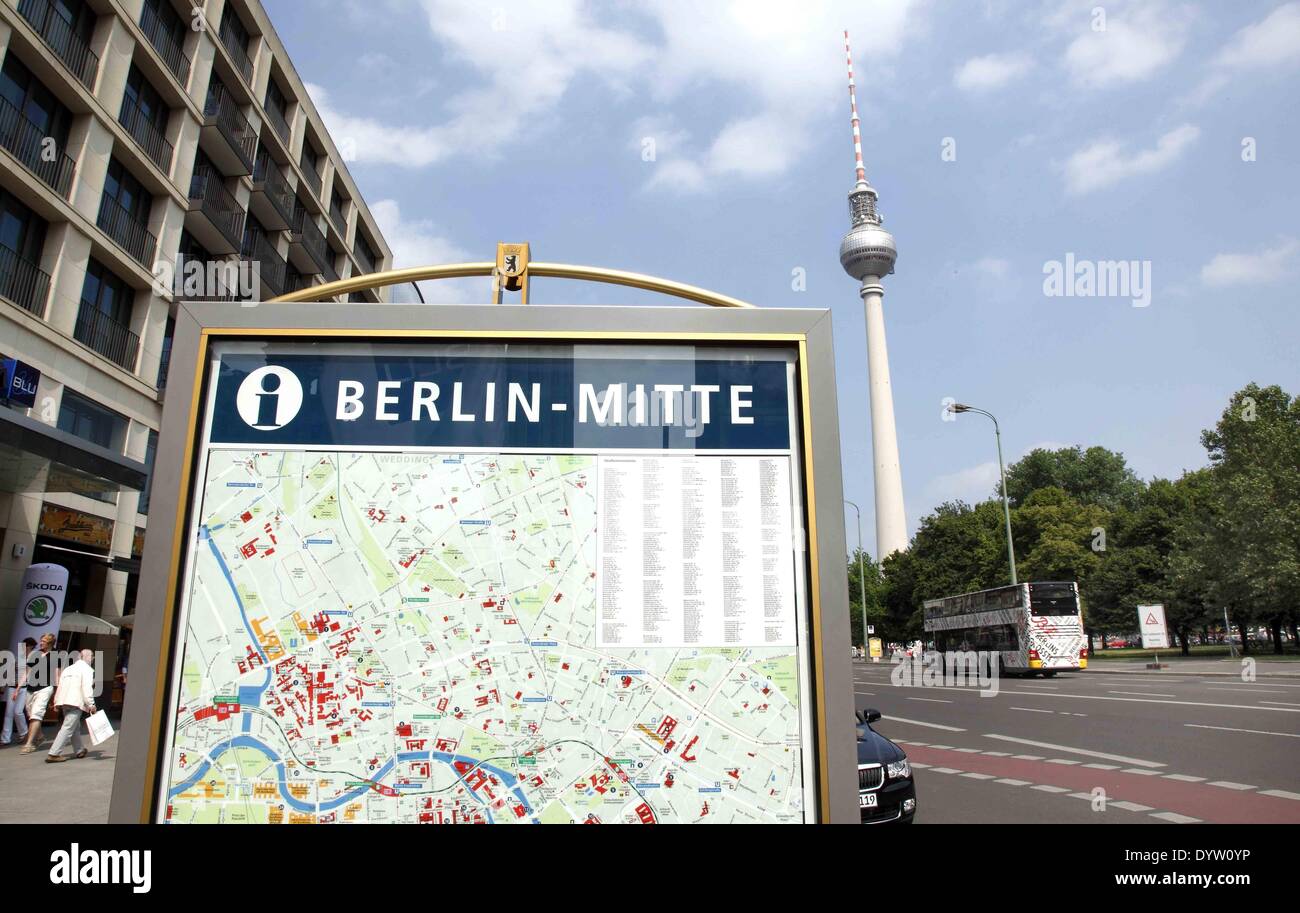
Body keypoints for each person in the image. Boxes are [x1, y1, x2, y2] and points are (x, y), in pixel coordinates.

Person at [46, 649, 97, 763]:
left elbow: (60, 686)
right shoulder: (87, 670)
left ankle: (79, 750)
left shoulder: (68, 669)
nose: (93, 659)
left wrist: (56, 702)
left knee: (74, 727)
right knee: (68, 727)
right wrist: (91, 704)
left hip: (64, 701)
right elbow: (86, 688)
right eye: (92, 656)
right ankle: (54, 753)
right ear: (87, 657)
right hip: (76, 702)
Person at [19, 634, 57, 754]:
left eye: (44, 641)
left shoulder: (56, 655)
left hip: (45, 687)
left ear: (50, 643)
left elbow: (58, 674)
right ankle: (40, 736)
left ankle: (29, 744)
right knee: (31, 714)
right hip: (31, 688)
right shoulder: (35, 654)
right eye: (41, 641)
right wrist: (18, 687)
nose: (41, 643)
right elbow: (27, 671)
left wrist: (57, 692)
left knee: (36, 714)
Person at [1, 638, 37, 746]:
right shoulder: (18, 658)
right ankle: (5, 738)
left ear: (30, 646)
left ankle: (24, 732)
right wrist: (4, 686)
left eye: (25, 646)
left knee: (18, 711)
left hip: (25, 687)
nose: (23, 648)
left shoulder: (34, 658)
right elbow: (10, 672)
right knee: (8, 713)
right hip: (13, 686)